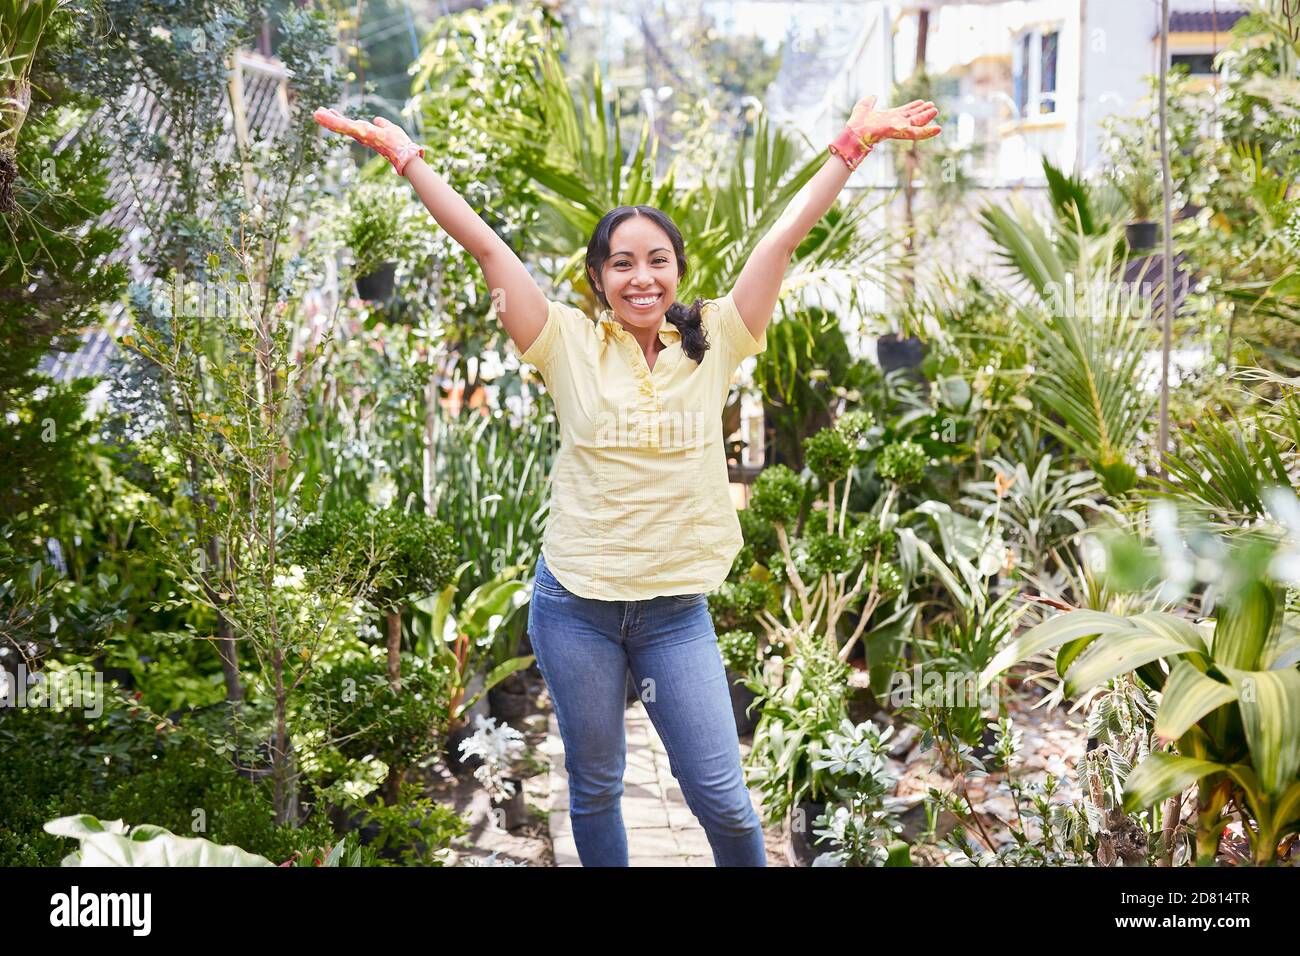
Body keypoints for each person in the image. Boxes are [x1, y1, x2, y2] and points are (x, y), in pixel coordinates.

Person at [314, 94, 940, 866]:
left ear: (678, 271)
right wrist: (407, 158)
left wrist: (851, 145)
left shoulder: (714, 336)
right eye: (622, 262)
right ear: (598, 277)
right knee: (596, 786)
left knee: (725, 801)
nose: (641, 277)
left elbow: (780, 243)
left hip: (675, 611)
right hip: (575, 605)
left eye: (658, 260)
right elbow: (484, 247)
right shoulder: (563, 341)